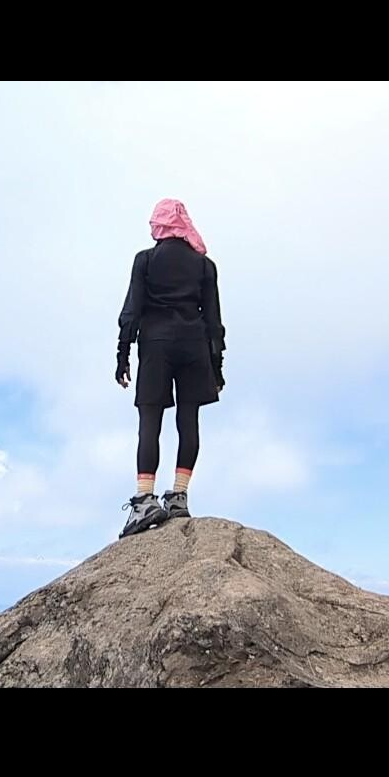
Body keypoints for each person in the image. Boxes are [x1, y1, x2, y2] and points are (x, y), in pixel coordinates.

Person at [116, 199, 225, 538]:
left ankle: (145, 501)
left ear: (159, 225)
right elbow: (213, 320)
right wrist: (217, 367)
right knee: (187, 420)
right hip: (194, 347)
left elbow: (133, 308)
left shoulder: (145, 260)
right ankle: (179, 496)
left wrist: (123, 354)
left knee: (150, 420)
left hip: (155, 346)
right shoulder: (204, 265)